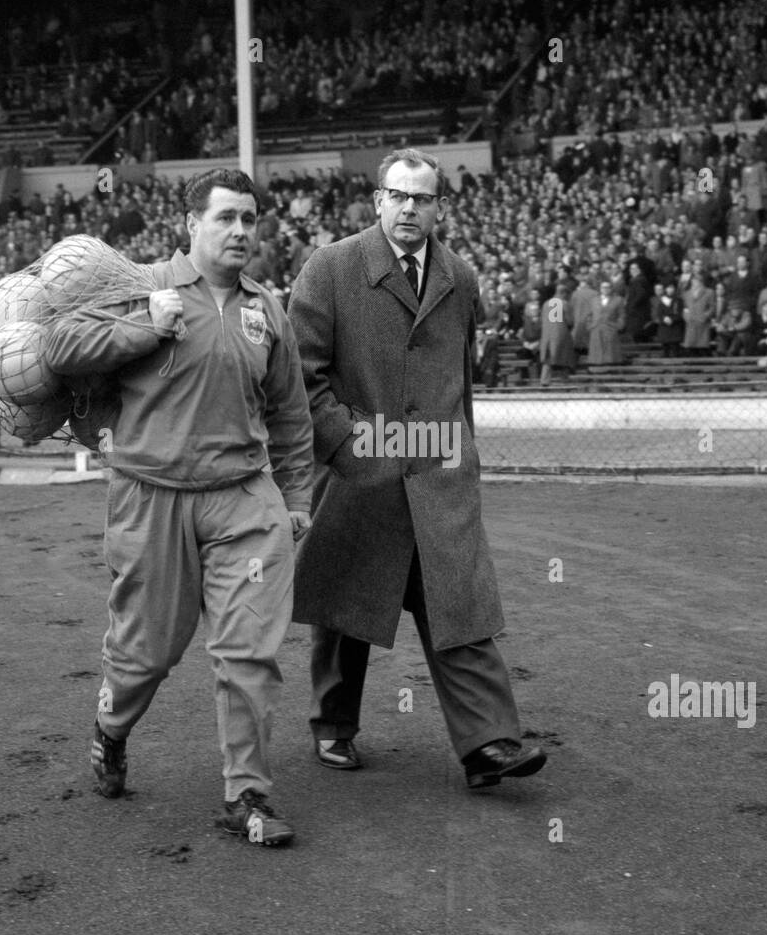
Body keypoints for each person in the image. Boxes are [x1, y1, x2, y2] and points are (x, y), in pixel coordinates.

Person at [43, 170, 314, 847]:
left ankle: (247, 795)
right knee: (148, 653)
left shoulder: (265, 308)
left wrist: (298, 500)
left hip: (243, 500)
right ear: (189, 224)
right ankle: (111, 729)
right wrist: (141, 327)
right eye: (225, 217)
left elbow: (290, 414)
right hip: (149, 497)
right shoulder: (141, 285)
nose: (240, 231)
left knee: (248, 651)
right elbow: (59, 348)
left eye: (250, 219)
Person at [287, 147, 546, 791]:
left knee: (457, 603)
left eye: (422, 198)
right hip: (360, 469)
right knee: (348, 604)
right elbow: (302, 378)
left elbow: (460, 379)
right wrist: (346, 445)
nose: (409, 208)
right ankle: (333, 726)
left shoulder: (459, 276)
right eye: (398, 196)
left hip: (438, 471)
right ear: (377, 200)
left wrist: (463, 454)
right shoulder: (331, 268)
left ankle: (489, 745)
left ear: (438, 208)